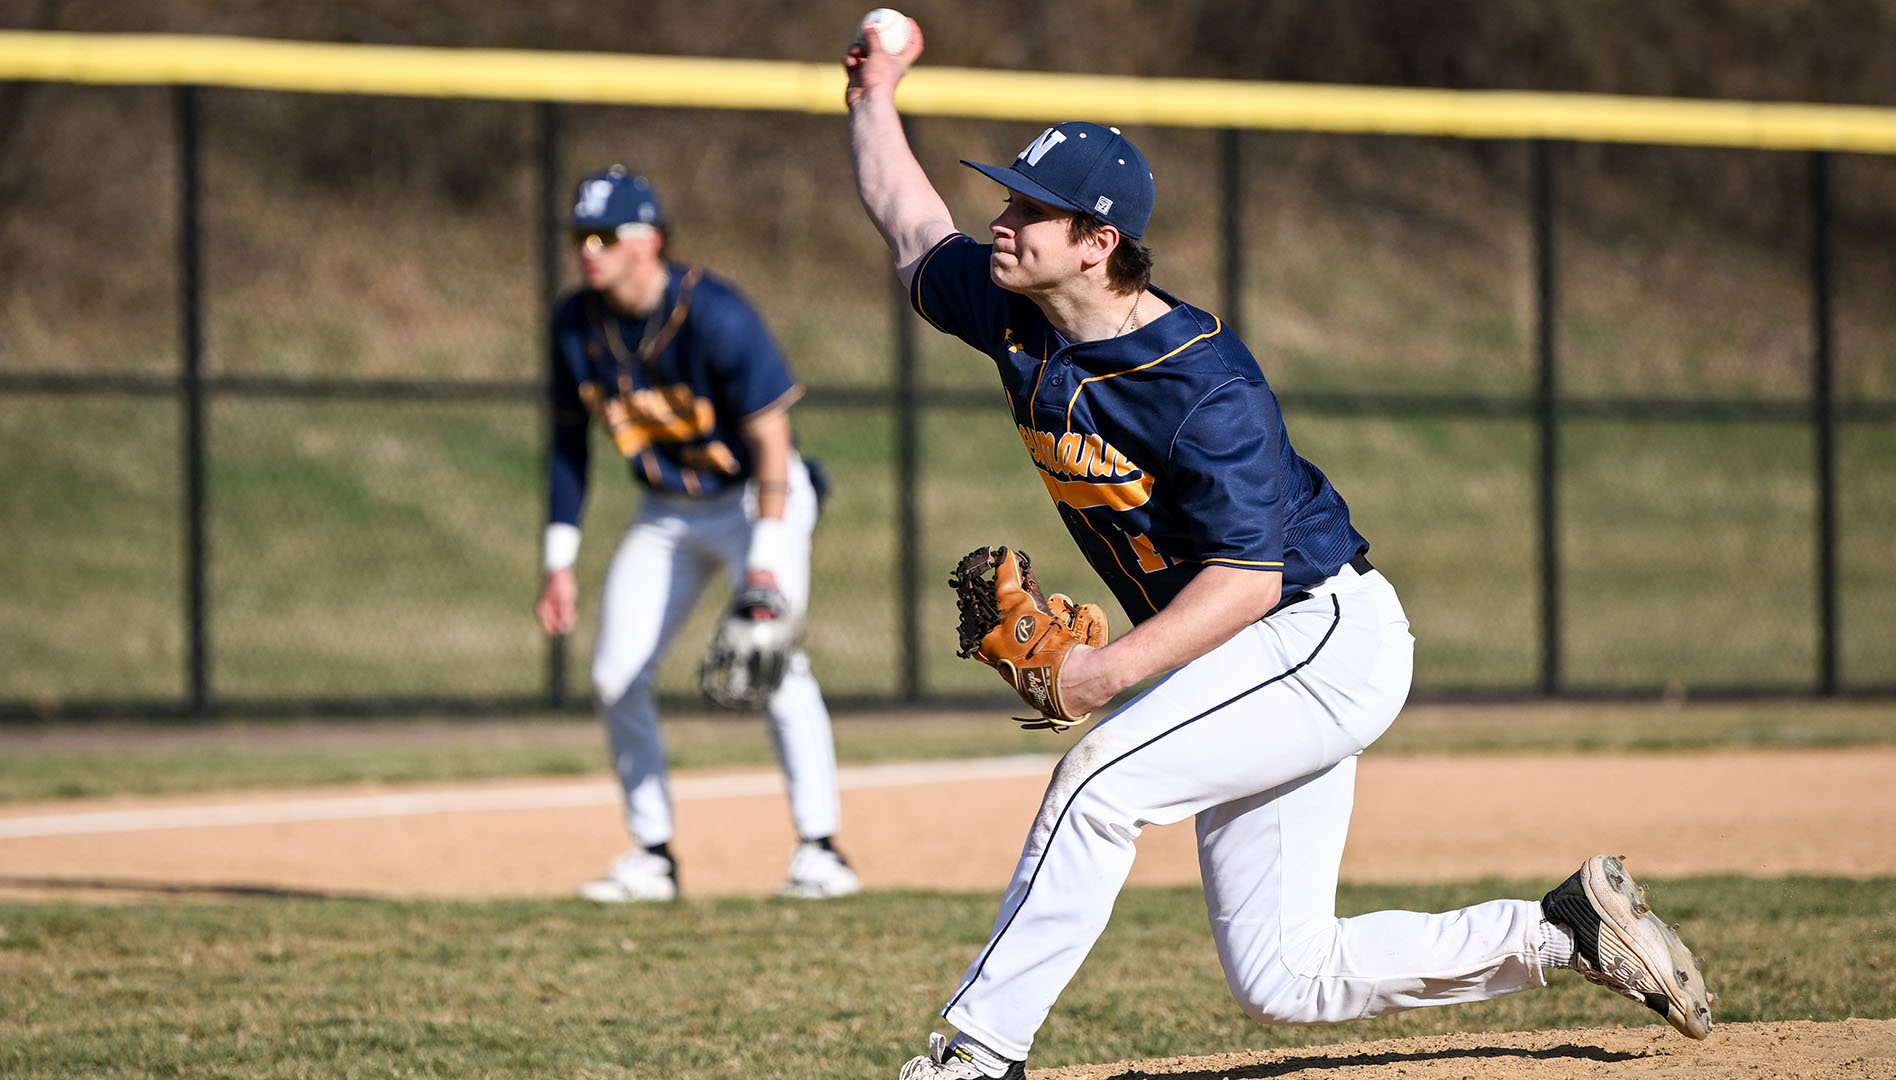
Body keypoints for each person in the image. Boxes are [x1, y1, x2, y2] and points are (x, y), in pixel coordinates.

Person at [844, 21, 1712, 1080]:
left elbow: (1250, 579)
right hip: (1249, 655)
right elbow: (906, 223)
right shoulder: (1014, 311)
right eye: (1008, 199)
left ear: (1097, 242)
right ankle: (1562, 934)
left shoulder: (1205, 385)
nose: (1001, 221)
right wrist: (873, 93)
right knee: (1285, 976)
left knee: (1096, 784)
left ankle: (973, 1056)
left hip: (1318, 635)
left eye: (1030, 209)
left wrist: (1103, 674)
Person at [538, 165, 860, 903]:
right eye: (579, 235)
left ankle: (822, 850)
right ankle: (653, 854)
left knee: (772, 660)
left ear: (648, 240)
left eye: (604, 235)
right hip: (668, 511)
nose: (588, 249)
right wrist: (559, 561)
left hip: (759, 500)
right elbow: (566, 446)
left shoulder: (713, 313)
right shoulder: (574, 325)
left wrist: (768, 568)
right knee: (615, 676)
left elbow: (774, 442)